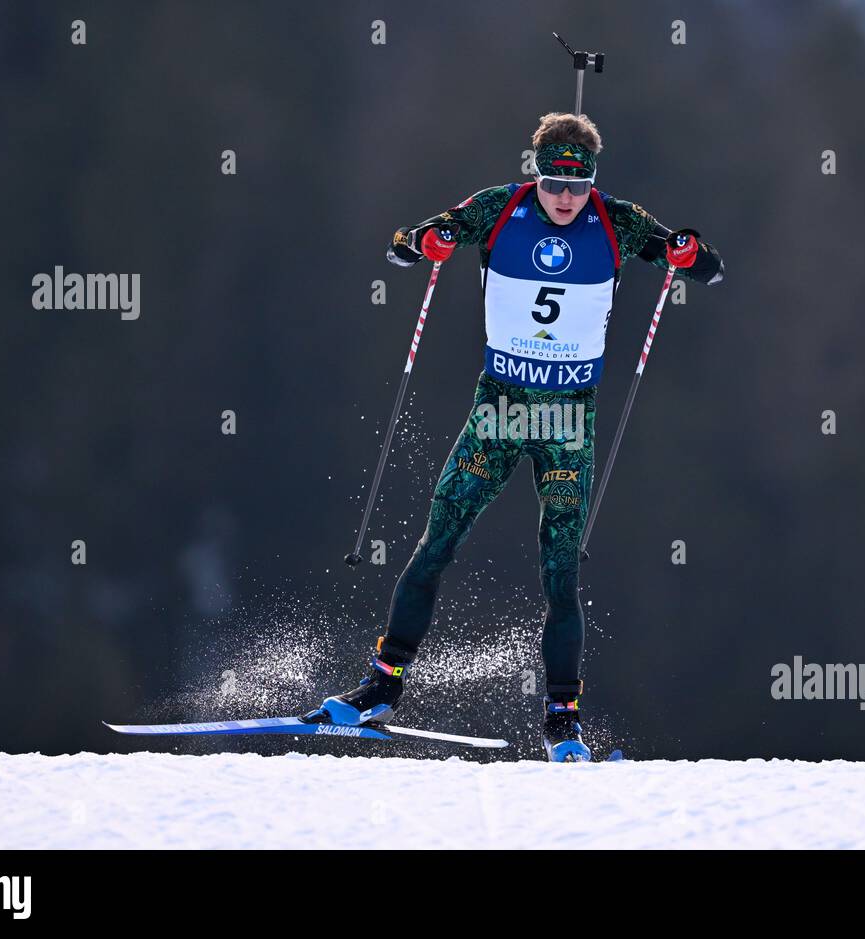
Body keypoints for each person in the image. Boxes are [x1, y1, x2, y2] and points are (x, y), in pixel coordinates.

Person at [304, 112, 725, 760]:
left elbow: (707, 267)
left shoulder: (618, 220)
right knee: (436, 542)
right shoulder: (500, 207)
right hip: (499, 410)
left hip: (566, 422)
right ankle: (381, 688)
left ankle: (563, 724)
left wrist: (689, 253)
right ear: (536, 174)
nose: (565, 197)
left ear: (592, 181)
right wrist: (428, 241)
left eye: (578, 185)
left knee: (560, 572)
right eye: (554, 183)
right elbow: (402, 244)